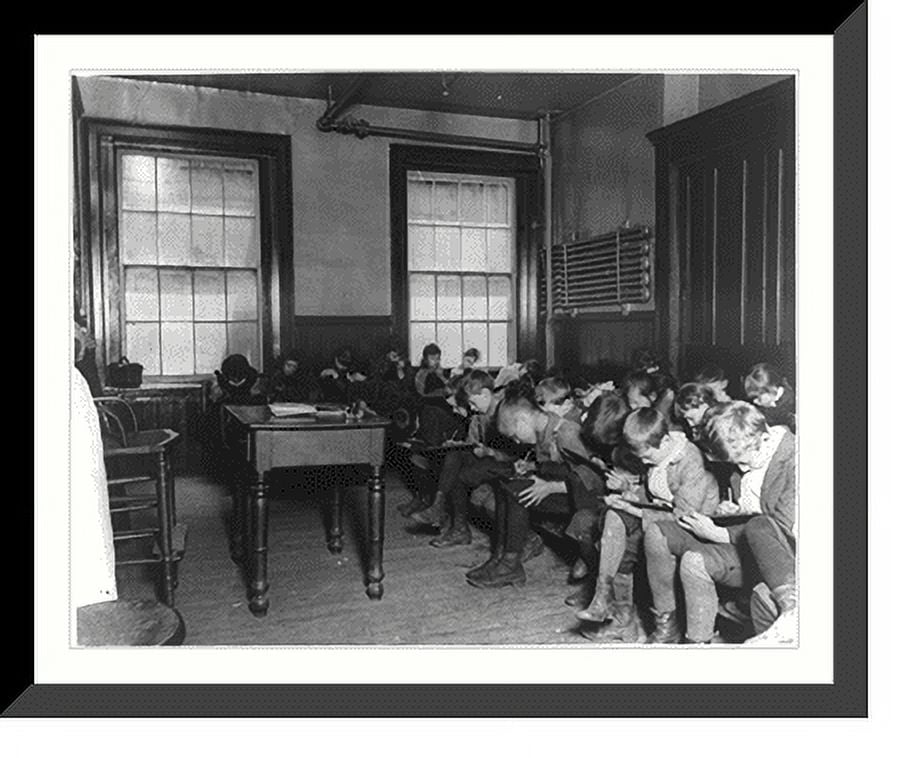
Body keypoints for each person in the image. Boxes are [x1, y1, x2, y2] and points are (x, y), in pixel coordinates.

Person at [642, 401, 795, 644]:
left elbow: (781, 530)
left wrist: (718, 534)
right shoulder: (746, 450)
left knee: (694, 561)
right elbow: (752, 505)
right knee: (657, 532)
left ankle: (697, 643)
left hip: (773, 559)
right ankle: (666, 627)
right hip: (736, 534)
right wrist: (733, 509)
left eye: (741, 460)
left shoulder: (796, 460)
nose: (740, 468)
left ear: (764, 438)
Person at [576, 407, 719, 642]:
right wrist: (628, 494)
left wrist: (632, 509)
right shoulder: (658, 451)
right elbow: (653, 493)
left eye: (646, 456)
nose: (643, 461)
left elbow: (684, 517)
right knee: (614, 517)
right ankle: (604, 597)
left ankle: (621, 616)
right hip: (658, 519)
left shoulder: (691, 462)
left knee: (620, 538)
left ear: (665, 440)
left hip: (689, 528)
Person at [464, 388, 603, 590]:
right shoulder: (543, 430)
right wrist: (532, 467)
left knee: (517, 493)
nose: (516, 441)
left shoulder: (567, 434)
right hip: (566, 491)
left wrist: (550, 487)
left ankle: (510, 564)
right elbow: (560, 467)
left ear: (522, 421)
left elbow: (593, 481)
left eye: (514, 436)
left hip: (584, 500)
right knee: (505, 485)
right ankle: (500, 556)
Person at [409, 370, 518, 546]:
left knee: (459, 475)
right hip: (488, 461)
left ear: (485, 394)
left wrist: (490, 452)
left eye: (473, 403)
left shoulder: (506, 412)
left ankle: (455, 525)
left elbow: (518, 453)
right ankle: (440, 508)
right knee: (454, 454)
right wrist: (461, 445)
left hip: (508, 463)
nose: (472, 408)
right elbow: (473, 443)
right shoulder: (479, 417)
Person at [744, 363, 796, 432]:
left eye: (757, 397)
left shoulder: (793, 402)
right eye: (752, 398)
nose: (754, 401)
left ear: (772, 389)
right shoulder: (762, 408)